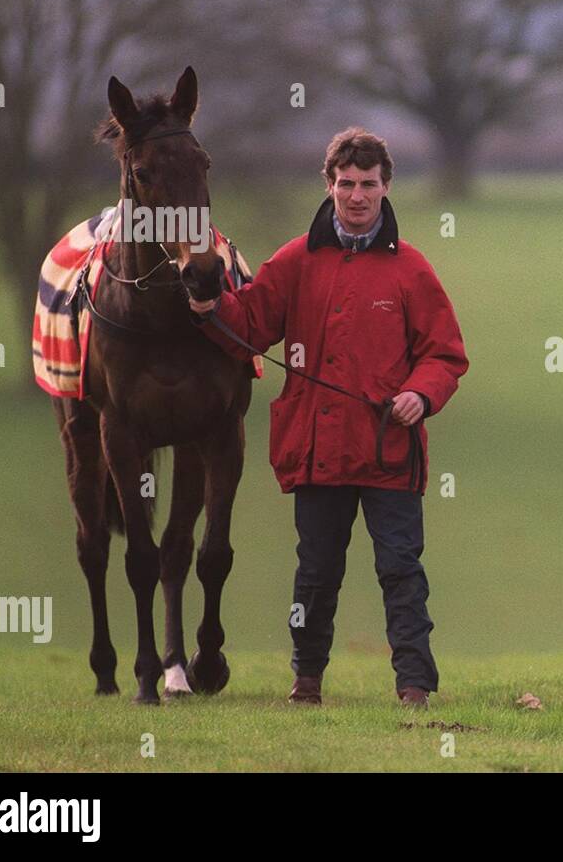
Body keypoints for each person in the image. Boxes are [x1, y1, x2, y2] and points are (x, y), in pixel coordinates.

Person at [186, 127, 468, 708]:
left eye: (368, 184)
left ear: (386, 187)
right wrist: (207, 301)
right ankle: (306, 681)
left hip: (391, 450)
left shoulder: (412, 271)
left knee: (401, 572)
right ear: (329, 185)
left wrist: (422, 393)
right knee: (314, 576)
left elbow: (445, 355)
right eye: (346, 183)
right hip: (316, 450)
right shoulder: (293, 261)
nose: (357, 195)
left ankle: (414, 686)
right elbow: (248, 327)